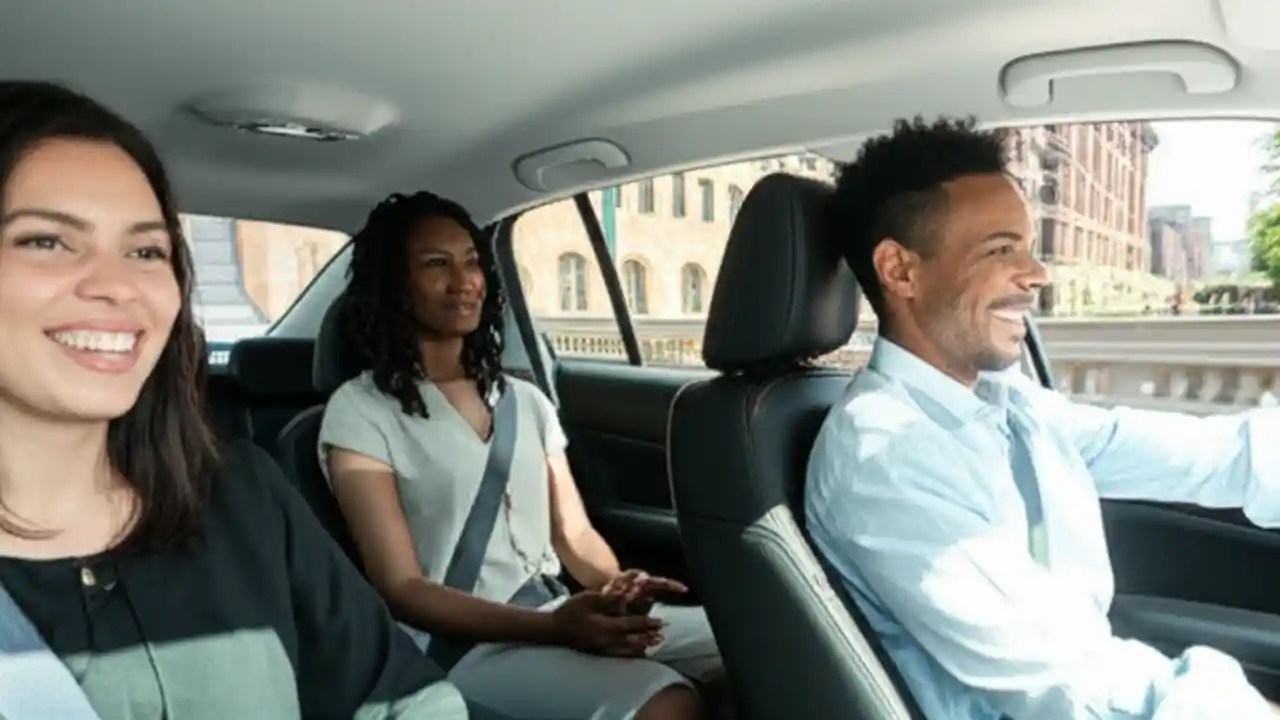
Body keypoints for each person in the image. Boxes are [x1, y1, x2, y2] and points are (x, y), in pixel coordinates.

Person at [0, 81, 466, 719]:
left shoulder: (244, 497)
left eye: (145, 250)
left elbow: (405, 700)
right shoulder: (355, 418)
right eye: (45, 241)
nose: (118, 286)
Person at [805, 117, 1280, 719]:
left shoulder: (1011, 407)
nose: (1037, 274)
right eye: (1001, 249)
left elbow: (1213, 457)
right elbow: (1065, 680)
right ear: (901, 270)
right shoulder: (883, 457)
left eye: (1028, 247)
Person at [319, 191, 727, 720]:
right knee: (665, 702)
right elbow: (402, 588)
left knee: (752, 646)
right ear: (394, 284)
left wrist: (617, 588)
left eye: (471, 261)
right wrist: (554, 629)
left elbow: (574, 536)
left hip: (556, 609)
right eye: (436, 264)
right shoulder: (360, 411)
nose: (463, 280)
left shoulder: (525, 401)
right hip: (463, 644)